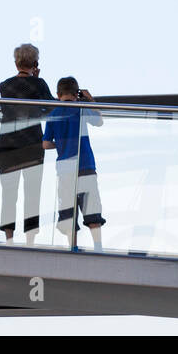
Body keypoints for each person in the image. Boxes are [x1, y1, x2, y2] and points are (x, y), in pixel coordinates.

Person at [0, 44, 54, 244]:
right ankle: (30, 238)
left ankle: (9, 237)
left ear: (16, 62)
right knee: (32, 192)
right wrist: (36, 80)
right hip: (31, 143)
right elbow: (51, 107)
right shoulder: (39, 84)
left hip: (8, 144)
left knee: (8, 193)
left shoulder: (4, 85)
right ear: (35, 63)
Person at [43, 78, 106, 251]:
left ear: (58, 94)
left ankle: (73, 247)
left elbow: (46, 144)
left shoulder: (53, 114)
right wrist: (91, 100)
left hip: (64, 168)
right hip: (85, 164)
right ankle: (98, 247)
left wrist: (61, 143)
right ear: (76, 93)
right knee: (91, 207)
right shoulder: (81, 109)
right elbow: (99, 121)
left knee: (68, 211)